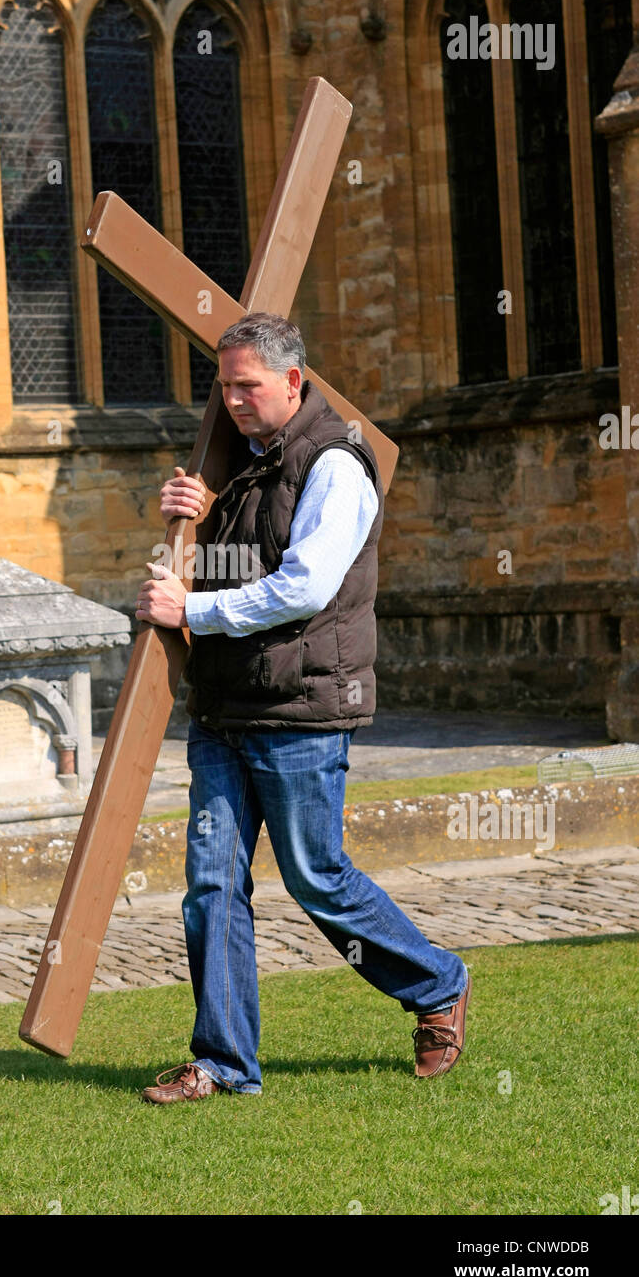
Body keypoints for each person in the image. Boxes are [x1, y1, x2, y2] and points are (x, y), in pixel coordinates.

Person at [132, 312, 470, 1103]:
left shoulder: (336, 466)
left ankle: (438, 984)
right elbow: (229, 564)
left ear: (293, 380)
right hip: (223, 708)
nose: (233, 401)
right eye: (224, 387)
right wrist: (191, 515)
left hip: (300, 706)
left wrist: (192, 614)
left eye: (247, 386)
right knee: (211, 886)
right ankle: (222, 1063)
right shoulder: (241, 465)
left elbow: (304, 588)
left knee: (316, 876)